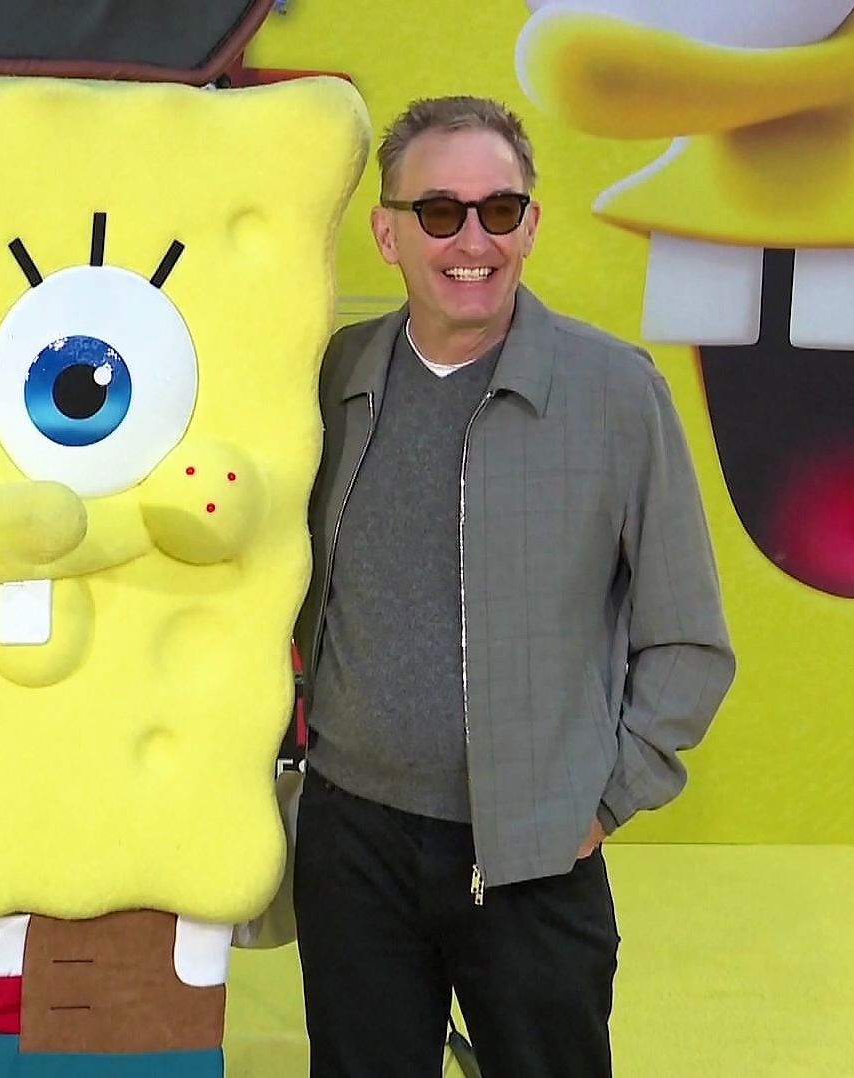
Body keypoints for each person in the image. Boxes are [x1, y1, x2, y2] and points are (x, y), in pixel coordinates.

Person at [290, 96, 735, 1077]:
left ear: (531, 225)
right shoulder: (336, 377)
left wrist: (603, 802)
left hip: (535, 859)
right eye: (439, 212)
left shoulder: (616, 392)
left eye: (500, 210)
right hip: (352, 843)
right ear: (388, 234)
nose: (473, 240)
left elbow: (688, 639)